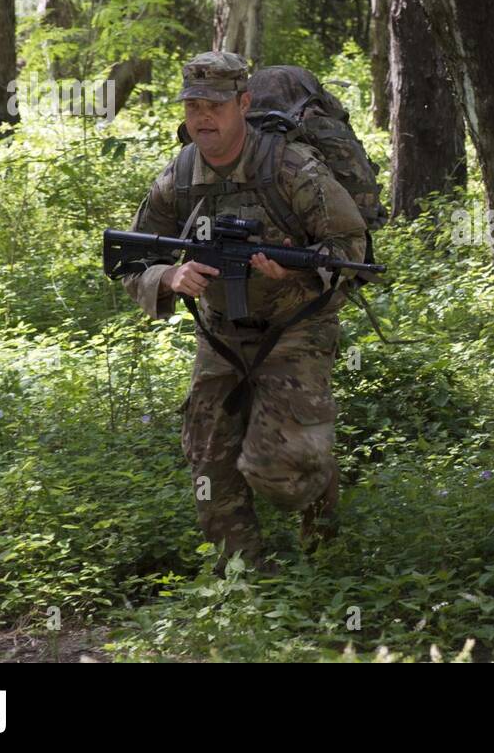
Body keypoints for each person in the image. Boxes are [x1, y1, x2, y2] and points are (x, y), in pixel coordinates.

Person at [120, 51, 368, 572]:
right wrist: (168, 276)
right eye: (193, 106)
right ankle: (244, 579)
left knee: (279, 472)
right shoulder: (180, 176)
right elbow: (133, 257)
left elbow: (352, 247)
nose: (203, 116)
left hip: (296, 326)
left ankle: (323, 547)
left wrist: (297, 272)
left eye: (215, 104)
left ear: (244, 104)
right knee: (209, 458)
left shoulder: (292, 168)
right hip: (221, 333)